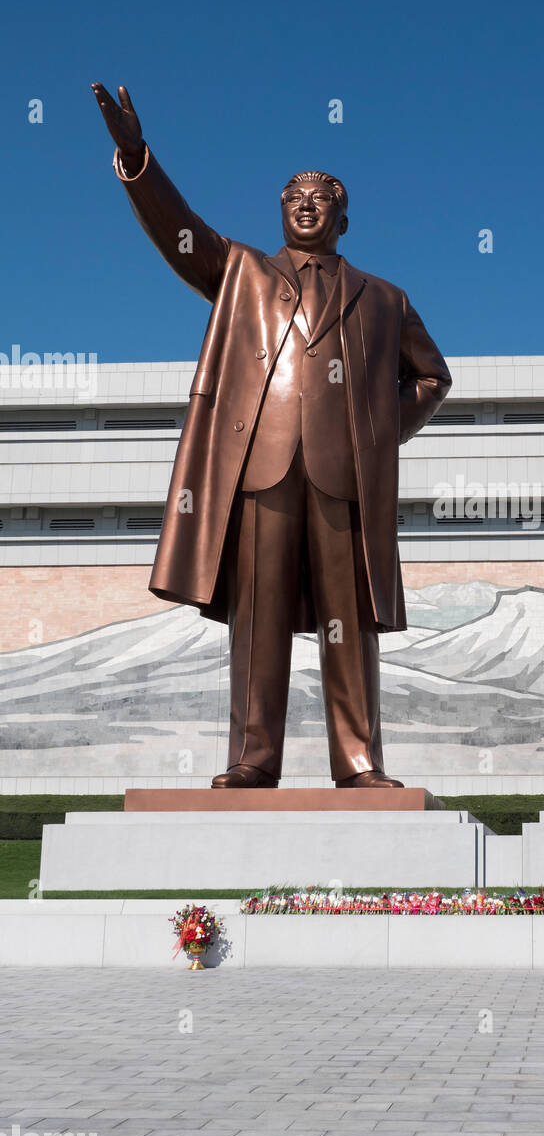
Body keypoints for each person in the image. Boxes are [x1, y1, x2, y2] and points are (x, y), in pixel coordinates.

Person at [92, 84, 451, 789]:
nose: (306, 204)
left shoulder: (384, 298)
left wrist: (376, 435)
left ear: (344, 217)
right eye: (293, 196)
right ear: (280, 211)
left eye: (320, 197)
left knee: (349, 623)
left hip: (342, 476)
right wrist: (136, 157)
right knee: (257, 622)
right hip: (260, 469)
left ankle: (358, 761)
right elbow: (178, 231)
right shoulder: (242, 274)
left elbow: (432, 378)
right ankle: (253, 757)